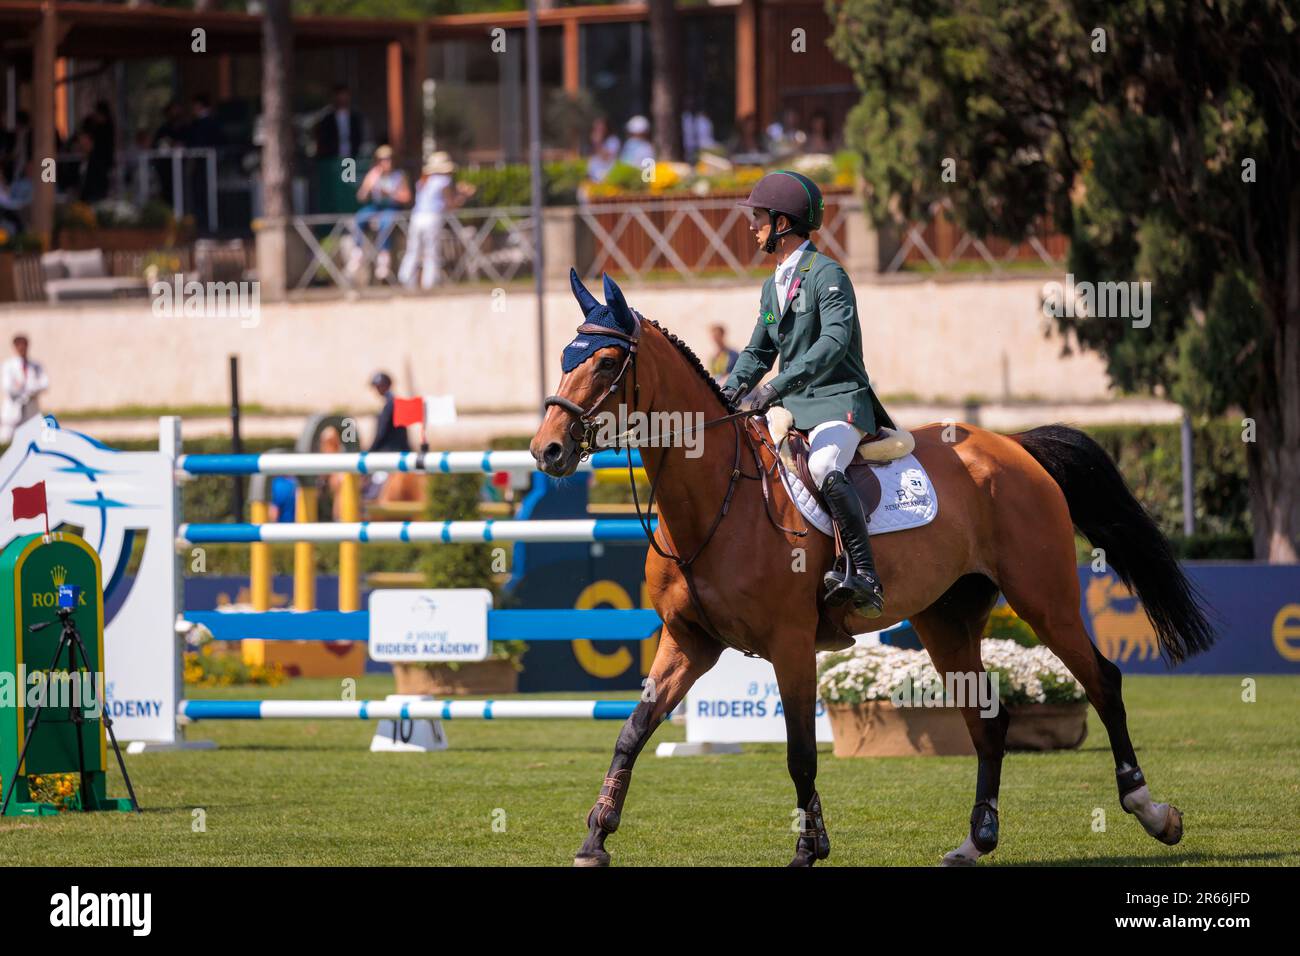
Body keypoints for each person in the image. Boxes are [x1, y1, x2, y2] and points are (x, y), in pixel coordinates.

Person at [721, 170, 889, 617]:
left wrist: (775, 385)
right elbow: (757, 350)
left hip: (839, 400)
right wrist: (729, 389)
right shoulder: (771, 285)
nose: (750, 225)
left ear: (781, 224)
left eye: (758, 217)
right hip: (794, 407)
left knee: (824, 464)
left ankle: (866, 573)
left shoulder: (827, 275)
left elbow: (833, 344)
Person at [399, 151, 475, 290]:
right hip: (431, 218)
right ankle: (429, 283)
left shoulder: (423, 181)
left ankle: (406, 279)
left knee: (413, 250)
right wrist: (463, 196)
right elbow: (449, 204)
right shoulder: (443, 181)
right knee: (431, 252)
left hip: (416, 217)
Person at [348, 145, 411, 283]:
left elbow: (407, 198)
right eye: (382, 159)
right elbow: (361, 197)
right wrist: (367, 186)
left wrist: (390, 193)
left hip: (392, 208)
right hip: (375, 207)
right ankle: (358, 253)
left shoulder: (399, 175)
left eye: (388, 159)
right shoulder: (373, 174)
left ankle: (383, 259)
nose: (385, 162)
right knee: (359, 218)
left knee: (386, 223)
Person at [1, 334, 50, 445]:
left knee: (33, 442)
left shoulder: (36, 365)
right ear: (15, 347)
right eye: (19, 346)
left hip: (31, 411)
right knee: (6, 441)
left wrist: (28, 388)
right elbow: (8, 387)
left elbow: (45, 384)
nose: (22, 348)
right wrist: (27, 389)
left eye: (24, 345)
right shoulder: (8, 365)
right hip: (13, 412)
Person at [314, 84, 365, 160]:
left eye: (344, 95)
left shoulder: (355, 118)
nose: (342, 98)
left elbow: (359, 137)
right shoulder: (327, 119)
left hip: (353, 157)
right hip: (332, 158)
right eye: (339, 96)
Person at [369, 372, 411, 453]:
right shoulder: (393, 402)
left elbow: (382, 432)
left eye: (378, 386)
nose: (377, 390)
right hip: (398, 450)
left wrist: (371, 451)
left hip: (391, 451)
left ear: (386, 385)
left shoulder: (390, 404)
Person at [0, 159, 34, 236]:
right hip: (8, 211)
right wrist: (21, 204)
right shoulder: (18, 183)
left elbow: (9, 198)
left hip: (19, 210)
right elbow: (7, 203)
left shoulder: (40, 185)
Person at [585, 117, 620, 183]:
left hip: (606, 176)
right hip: (592, 176)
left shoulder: (613, 140)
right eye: (596, 128)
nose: (598, 130)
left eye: (600, 127)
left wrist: (598, 143)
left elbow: (606, 157)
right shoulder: (592, 140)